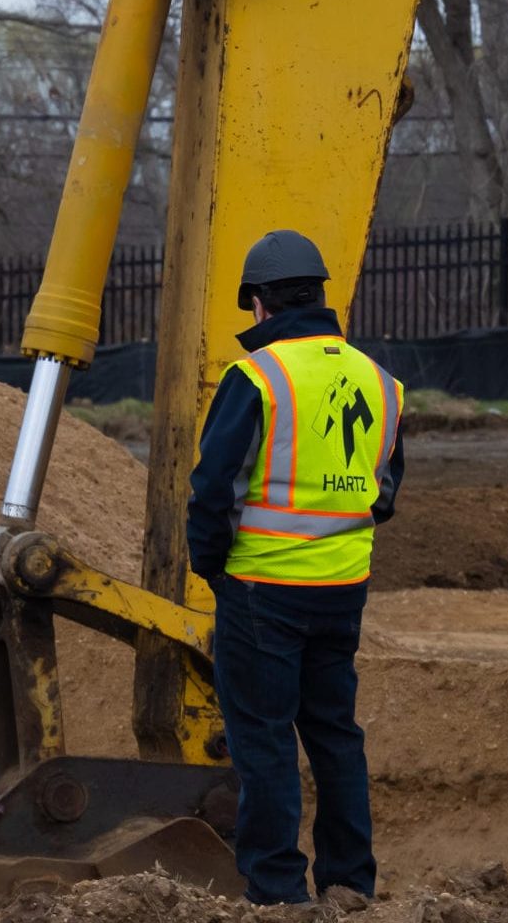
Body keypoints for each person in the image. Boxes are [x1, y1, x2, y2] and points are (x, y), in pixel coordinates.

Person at [186, 229, 405, 908]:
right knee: (336, 735)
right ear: (318, 296)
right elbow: (385, 491)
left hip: (262, 591)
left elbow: (213, 490)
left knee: (265, 742)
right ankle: (348, 884)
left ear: (258, 304)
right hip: (342, 590)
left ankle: (278, 892)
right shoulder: (379, 380)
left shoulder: (256, 377)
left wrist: (212, 568)